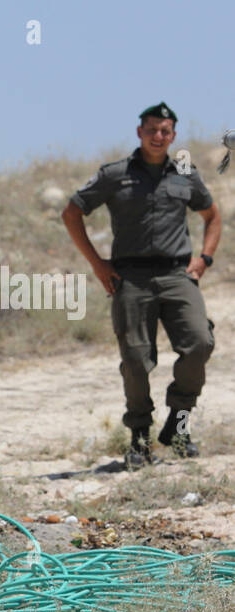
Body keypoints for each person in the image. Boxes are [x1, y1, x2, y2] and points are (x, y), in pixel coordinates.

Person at [62, 101, 222, 467]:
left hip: (178, 276)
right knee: (135, 360)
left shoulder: (184, 172)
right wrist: (97, 264)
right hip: (130, 279)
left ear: (173, 136)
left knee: (199, 344)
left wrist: (204, 260)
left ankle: (178, 427)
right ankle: (139, 439)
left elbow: (212, 216)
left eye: (165, 131)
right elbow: (72, 212)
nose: (158, 136)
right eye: (151, 129)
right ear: (139, 132)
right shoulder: (115, 174)